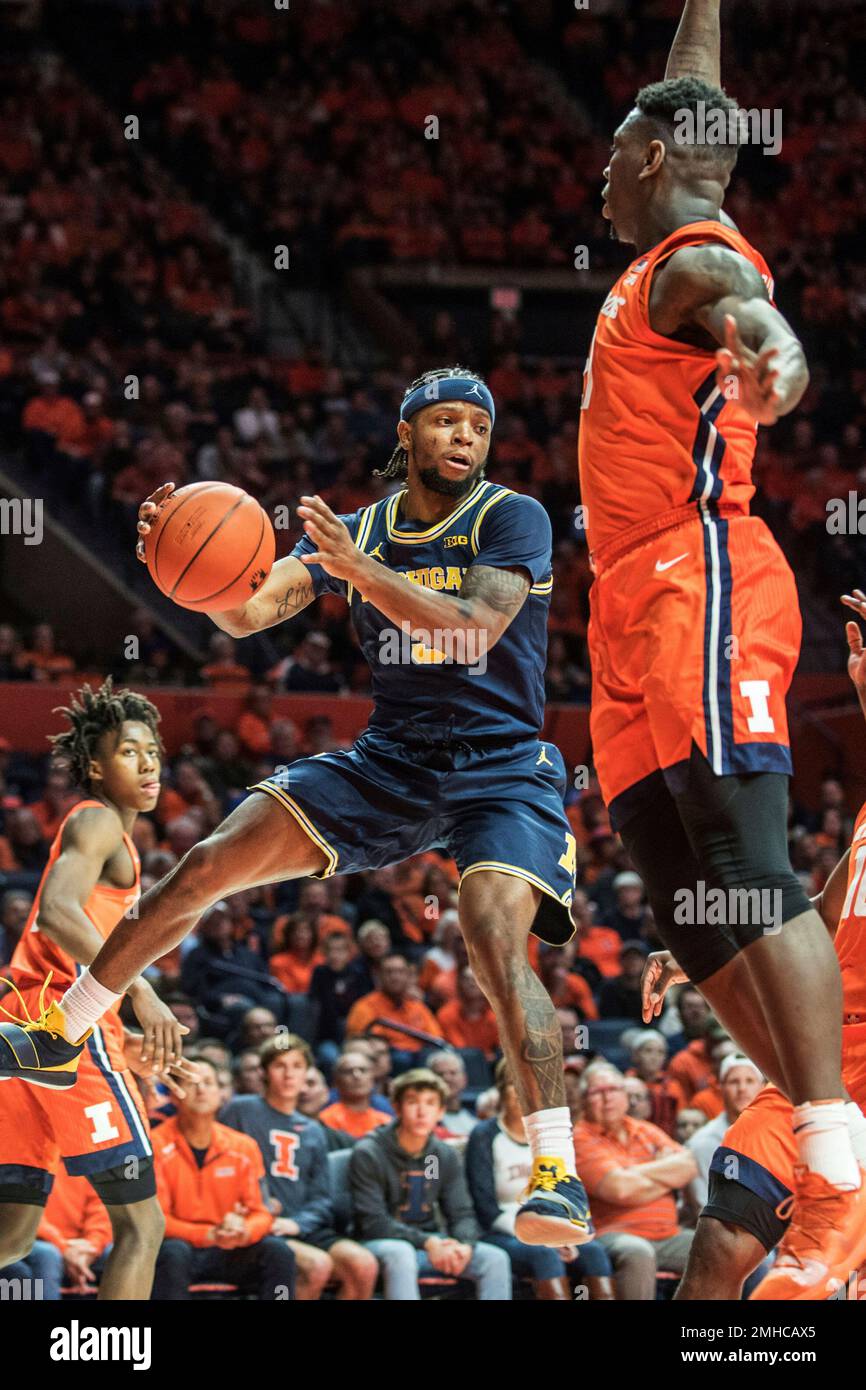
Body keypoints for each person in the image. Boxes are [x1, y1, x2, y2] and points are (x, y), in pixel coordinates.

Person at [6, 366, 592, 1247]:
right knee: (206, 865)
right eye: (445, 421)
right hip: (390, 759)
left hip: (500, 766)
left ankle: (557, 1174)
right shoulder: (359, 529)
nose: (464, 436)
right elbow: (245, 613)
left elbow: (471, 627)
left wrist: (362, 571)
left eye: (478, 424)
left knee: (490, 935)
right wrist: (180, 562)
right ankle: (66, 1028)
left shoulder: (514, 518)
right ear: (409, 435)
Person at [578, 0, 866, 1296]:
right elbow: (685, 95)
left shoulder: (693, 257)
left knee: (745, 858)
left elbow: (751, 315)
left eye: (605, 157)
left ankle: (834, 1142)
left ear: (644, 162)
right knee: (681, 897)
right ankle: (811, 1129)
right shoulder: (674, 192)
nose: (593, 174)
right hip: (625, 607)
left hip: (698, 570)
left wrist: (774, 362)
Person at [647, 598, 866, 1299]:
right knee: (718, 1241)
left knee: (802, 1282)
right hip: (816, 1058)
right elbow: (820, 916)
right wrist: (701, 959)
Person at [0, 679, 192, 1299]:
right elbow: (56, 912)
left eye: (153, 753)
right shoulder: (99, 820)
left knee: (10, 1236)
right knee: (142, 1224)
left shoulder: (114, 837)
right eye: (130, 751)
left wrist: (129, 1037)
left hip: (24, 1021)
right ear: (93, 766)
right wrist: (141, 993)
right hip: (60, 1029)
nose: (148, 764)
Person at [221, 1034, 377, 1299]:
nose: (289, 1074)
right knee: (316, 1266)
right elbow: (216, 1166)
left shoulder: (313, 1130)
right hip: (256, 1226)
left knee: (363, 1264)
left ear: (307, 1073)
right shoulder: (240, 1110)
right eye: (280, 1066)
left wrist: (298, 1223)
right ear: (265, 1072)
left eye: (297, 1066)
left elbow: (322, 1198)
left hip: (299, 1226)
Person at [349, 1068, 512, 1300]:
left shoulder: (439, 1156)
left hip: (431, 1244)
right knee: (401, 1253)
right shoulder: (370, 1152)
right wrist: (428, 1242)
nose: (421, 1111)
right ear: (396, 1107)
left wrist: (463, 1244)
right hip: (379, 1243)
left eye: (430, 1103)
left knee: (494, 1258)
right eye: (412, 1102)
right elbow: (373, 1222)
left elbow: (461, 1213)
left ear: (441, 1111)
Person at [465, 1060, 614, 1301]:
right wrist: (541, 1236)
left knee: (594, 1253)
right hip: (501, 1230)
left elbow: (568, 1196)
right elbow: (486, 1209)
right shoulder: (485, 1135)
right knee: (544, 1255)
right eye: (516, 1086)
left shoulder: (553, 1138)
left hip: (552, 1228)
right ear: (502, 1090)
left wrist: (563, 1235)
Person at [151, 1055, 296, 1300]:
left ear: (221, 1094)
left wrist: (244, 1231)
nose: (200, 1088)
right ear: (174, 1095)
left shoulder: (244, 1146)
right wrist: (207, 1235)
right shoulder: (154, 1144)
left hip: (229, 1248)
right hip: (180, 1248)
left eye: (208, 1082)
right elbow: (157, 1220)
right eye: (190, 1082)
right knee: (173, 1252)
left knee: (278, 1251)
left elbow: (261, 1211)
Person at [572, 1062, 697, 1300]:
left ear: (625, 1096)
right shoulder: (580, 1137)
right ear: (584, 1099)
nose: (607, 1098)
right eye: (598, 1092)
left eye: (613, 1090)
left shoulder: (645, 1130)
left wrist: (632, 1173)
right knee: (638, 1252)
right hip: (613, 1234)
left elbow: (689, 1166)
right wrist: (666, 1177)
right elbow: (619, 1189)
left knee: (729, 1251)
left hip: (668, 1234)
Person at [684, 1055, 763, 1213]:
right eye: (734, 1081)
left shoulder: (780, 1132)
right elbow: (704, 1208)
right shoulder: (702, 1142)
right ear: (721, 1088)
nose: (742, 1088)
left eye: (749, 1081)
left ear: (762, 1087)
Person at [344, 953, 443, 1069]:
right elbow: (359, 1043)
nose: (395, 977)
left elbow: (436, 1038)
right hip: (391, 1061)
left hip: (421, 1058)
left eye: (400, 972)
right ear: (379, 976)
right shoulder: (364, 1006)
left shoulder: (417, 1005)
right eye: (389, 972)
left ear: (408, 976)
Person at [318, 1050, 392, 1140]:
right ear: (336, 1081)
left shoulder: (385, 1122)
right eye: (349, 1071)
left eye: (363, 1070)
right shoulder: (325, 1121)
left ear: (373, 1077)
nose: (357, 1076)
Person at [627, 1030, 686, 1137]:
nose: (654, 1057)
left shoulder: (673, 1086)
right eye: (648, 1051)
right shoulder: (625, 1084)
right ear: (635, 1055)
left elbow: (681, 1119)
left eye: (660, 1052)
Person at [436, 967, 499, 1057]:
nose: (471, 983)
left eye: (477, 979)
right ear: (459, 984)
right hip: (460, 1060)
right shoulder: (446, 1014)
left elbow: (501, 1047)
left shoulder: (495, 1015)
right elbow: (460, 1048)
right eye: (467, 979)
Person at [428, 1050, 479, 1138]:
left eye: (453, 1073)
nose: (447, 1078)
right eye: (440, 1074)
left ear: (464, 1079)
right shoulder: (423, 1121)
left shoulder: (477, 1117)